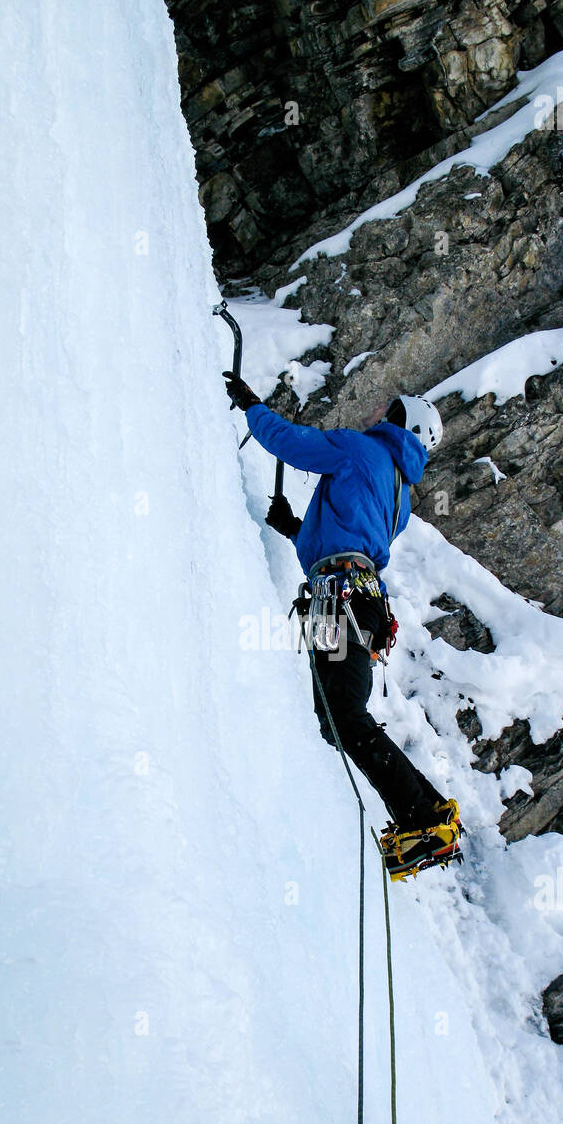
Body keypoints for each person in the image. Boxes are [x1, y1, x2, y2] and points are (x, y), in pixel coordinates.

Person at [223, 370, 461, 880]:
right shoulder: (401, 499)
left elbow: (292, 443)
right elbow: (346, 536)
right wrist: (296, 530)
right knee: (337, 718)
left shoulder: (358, 451)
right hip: (358, 600)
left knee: (343, 717)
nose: (379, 414)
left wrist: (251, 407)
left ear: (402, 422)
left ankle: (424, 815)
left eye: (389, 411)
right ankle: (424, 813)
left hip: (340, 602)